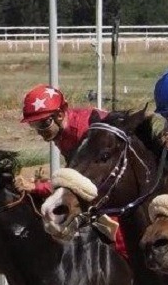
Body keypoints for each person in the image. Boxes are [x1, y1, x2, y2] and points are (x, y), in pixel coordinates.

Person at [17, 84, 126, 257]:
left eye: (43, 124)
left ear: (60, 115)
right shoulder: (61, 132)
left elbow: (78, 182)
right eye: (34, 125)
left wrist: (38, 187)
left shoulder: (83, 130)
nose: (39, 131)